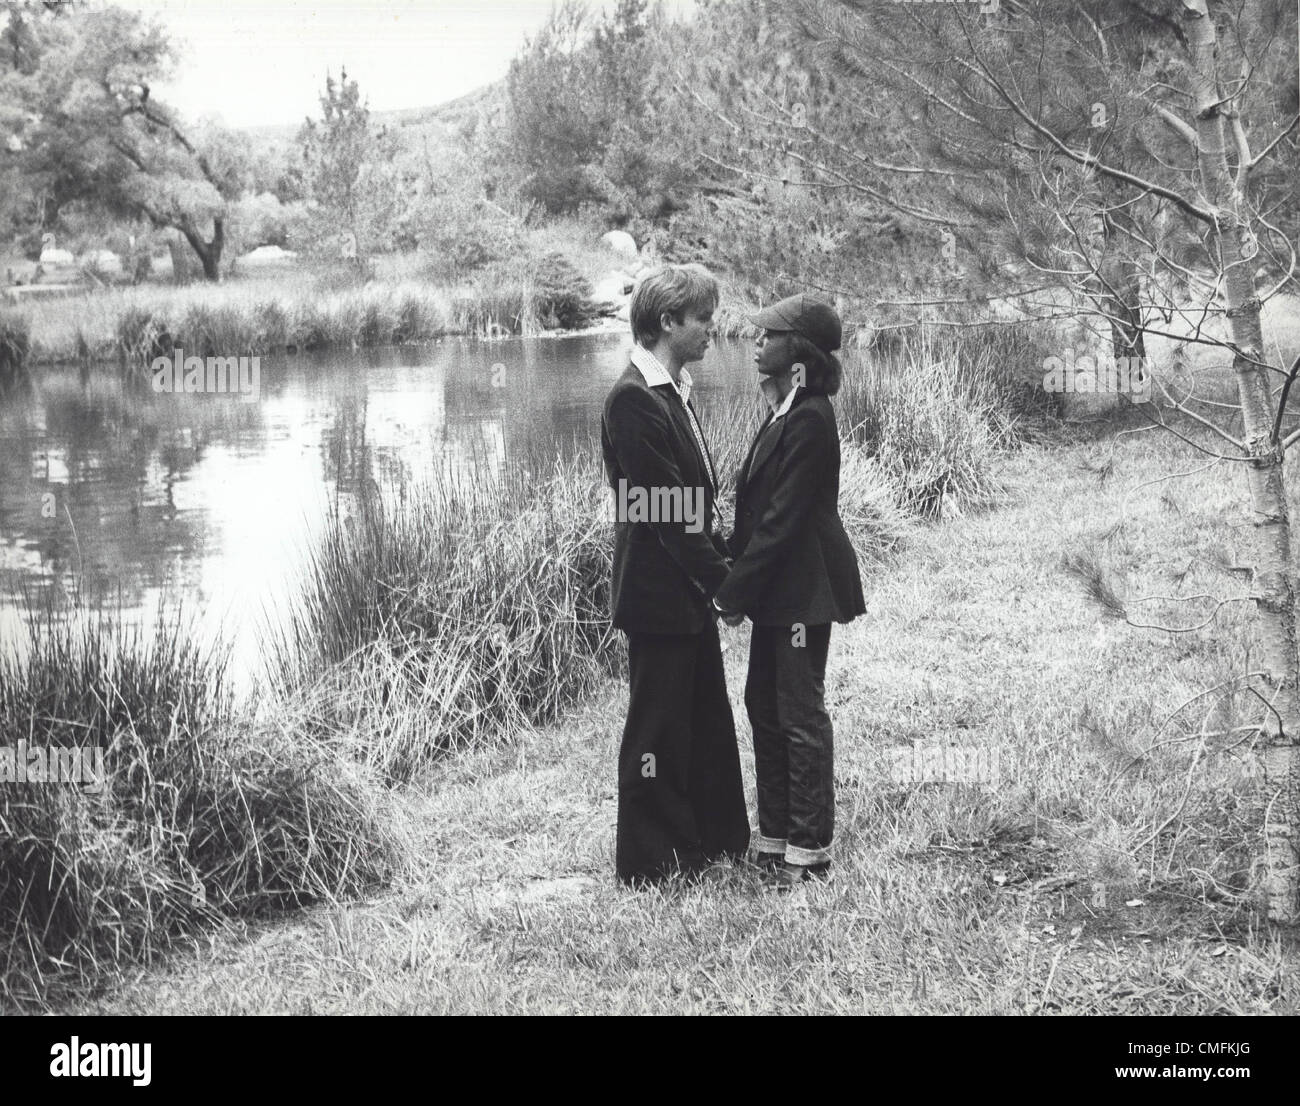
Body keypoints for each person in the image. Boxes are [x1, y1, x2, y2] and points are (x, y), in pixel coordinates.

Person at [599, 263, 750, 886]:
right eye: (703, 320)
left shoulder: (674, 389)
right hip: (658, 593)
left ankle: (709, 842)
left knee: (704, 718)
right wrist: (725, 585)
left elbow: (695, 501)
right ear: (668, 322)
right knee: (657, 730)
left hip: (684, 590)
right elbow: (665, 512)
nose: (712, 330)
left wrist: (724, 562)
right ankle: (650, 863)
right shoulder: (632, 400)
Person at [713, 293, 866, 889]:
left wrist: (732, 593)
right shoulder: (786, 409)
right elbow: (761, 516)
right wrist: (726, 552)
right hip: (782, 587)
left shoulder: (810, 418)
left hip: (804, 592)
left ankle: (808, 850)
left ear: (795, 353)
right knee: (764, 706)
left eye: (766, 336)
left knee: (799, 713)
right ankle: (773, 838)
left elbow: (783, 522)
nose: (755, 344)